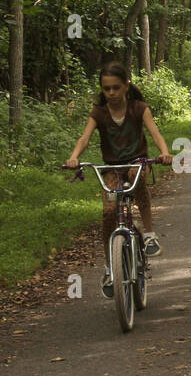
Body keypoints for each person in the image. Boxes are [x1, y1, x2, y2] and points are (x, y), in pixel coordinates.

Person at [66, 62, 173, 296]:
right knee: (108, 212)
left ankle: (148, 235)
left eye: (116, 88)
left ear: (126, 86)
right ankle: (109, 267)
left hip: (137, 162)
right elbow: (84, 138)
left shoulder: (139, 108)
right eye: (106, 89)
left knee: (137, 176)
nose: (111, 93)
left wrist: (164, 152)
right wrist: (74, 157)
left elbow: (155, 132)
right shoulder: (99, 113)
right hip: (112, 168)